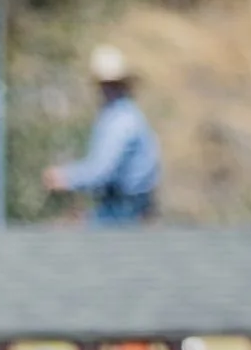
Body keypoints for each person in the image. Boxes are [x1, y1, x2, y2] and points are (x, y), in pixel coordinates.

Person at [43, 46, 162, 224]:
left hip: (123, 209)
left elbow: (100, 171)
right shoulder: (121, 115)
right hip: (123, 206)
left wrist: (65, 177)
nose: (106, 89)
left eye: (111, 84)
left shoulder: (121, 120)